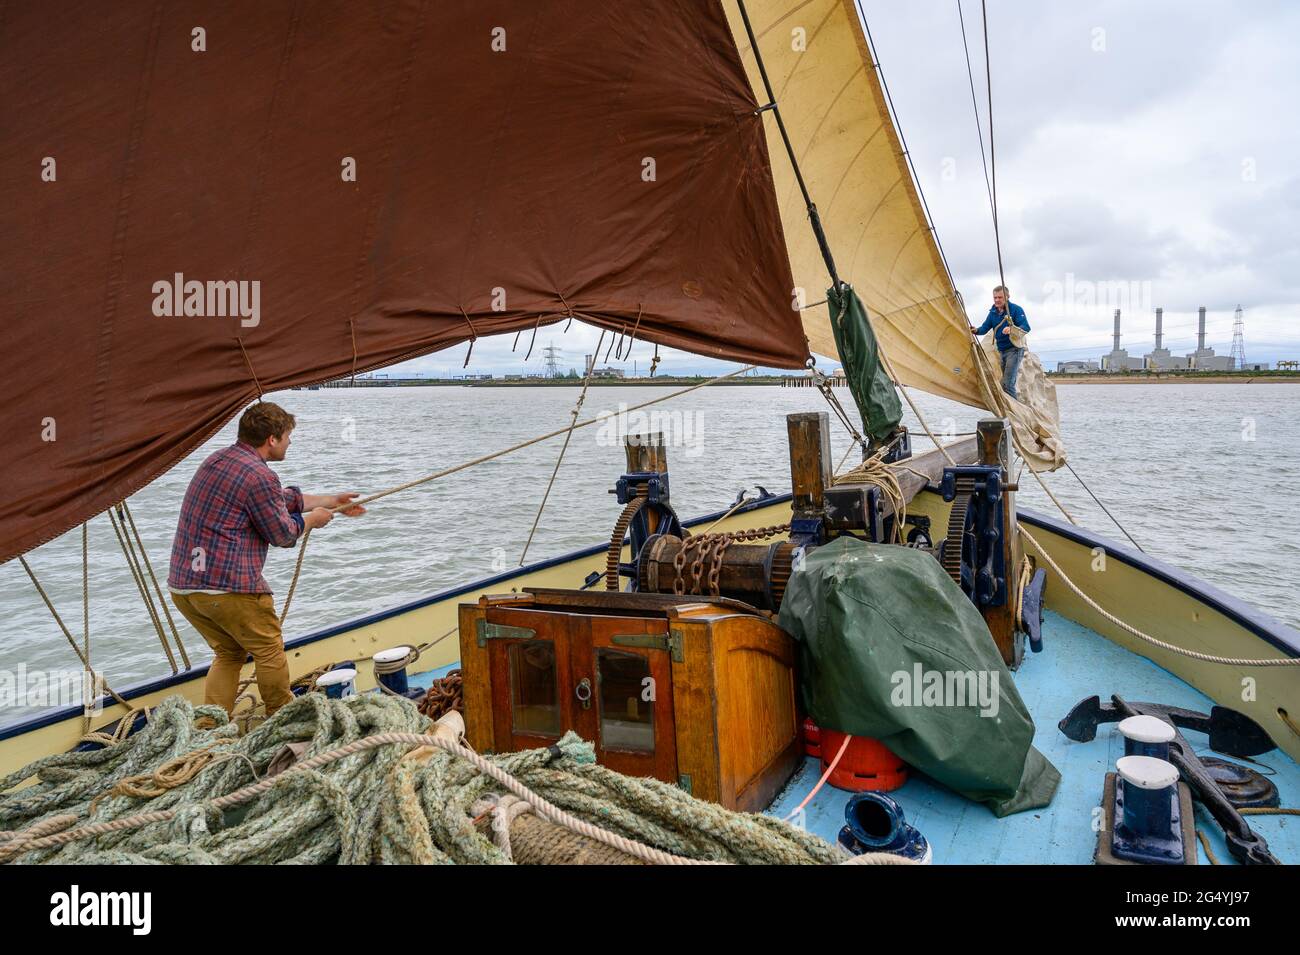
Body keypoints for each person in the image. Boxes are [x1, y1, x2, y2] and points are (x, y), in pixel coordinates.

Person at [168, 402, 364, 718]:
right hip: (227, 588)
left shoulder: (217, 461)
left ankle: (209, 727)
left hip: (185, 590)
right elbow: (283, 534)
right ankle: (282, 717)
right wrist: (312, 520)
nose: (290, 442)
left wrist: (331, 501)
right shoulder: (260, 475)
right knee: (269, 648)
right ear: (272, 439)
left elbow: (277, 500)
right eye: (288, 436)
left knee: (229, 651)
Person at [971, 285, 1031, 400]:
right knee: (1005, 384)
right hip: (1002, 351)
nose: (997, 300)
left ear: (1007, 297)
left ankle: (1015, 414)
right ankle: (1010, 411)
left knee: (1008, 384)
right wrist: (976, 330)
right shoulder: (993, 312)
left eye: (1000, 297)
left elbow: (1026, 327)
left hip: (1014, 350)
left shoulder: (1015, 310)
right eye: (995, 298)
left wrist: (1012, 329)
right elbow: (984, 327)